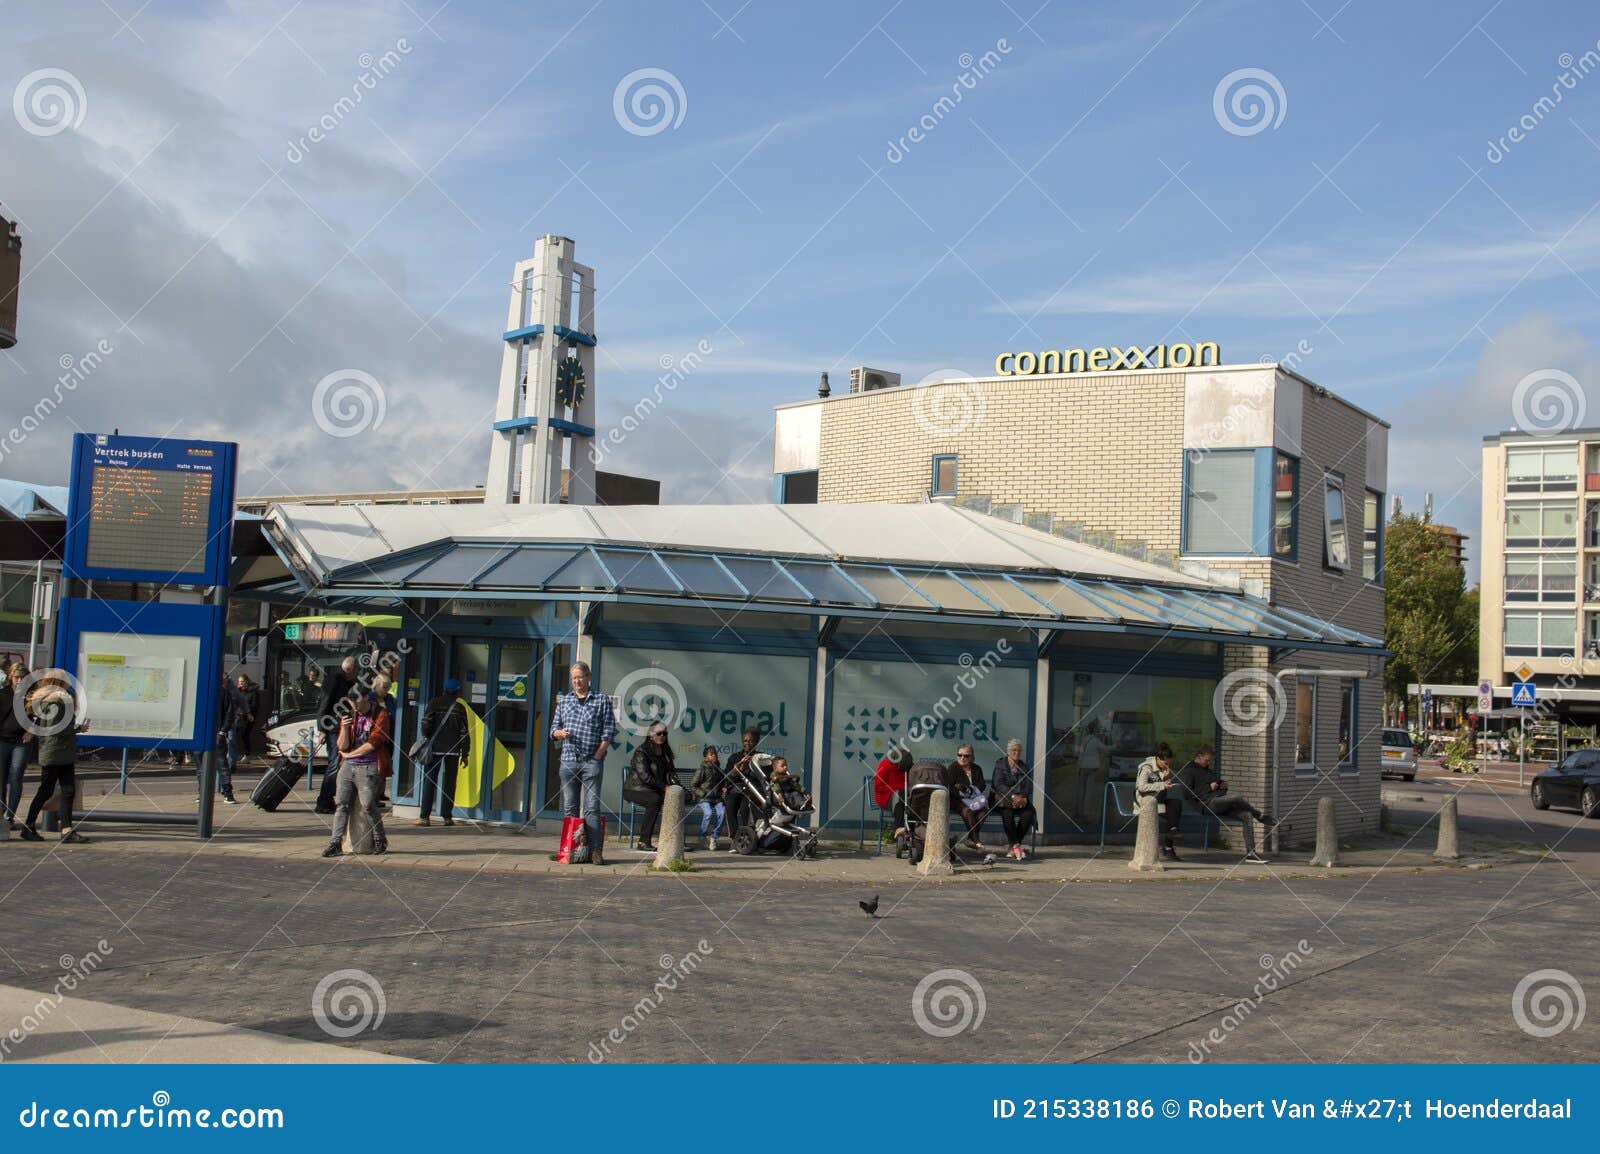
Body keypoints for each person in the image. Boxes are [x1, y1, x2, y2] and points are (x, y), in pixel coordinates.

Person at [549, 660, 616, 865]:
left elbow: (610, 730)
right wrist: (559, 733)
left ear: (588, 678)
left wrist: (599, 754)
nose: (577, 681)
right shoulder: (564, 702)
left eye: (580, 677)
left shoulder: (601, 700)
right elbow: (552, 730)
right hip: (569, 761)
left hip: (591, 762)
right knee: (570, 807)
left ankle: (595, 852)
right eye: (574, 678)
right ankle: (568, 850)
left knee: (591, 808)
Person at [18, 670, 88, 844]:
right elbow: (56, 728)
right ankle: (33, 827)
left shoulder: (52, 699)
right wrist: (77, 729)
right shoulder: (57, 701)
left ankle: (63, 829)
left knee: (60, 790)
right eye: (65, 681)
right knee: (53, 790)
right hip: (57, 751)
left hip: (57, 751)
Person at [1178, 743, 1276, 864]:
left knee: (1246, 815)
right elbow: (1187, 792)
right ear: (1199, 756)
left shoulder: (1208, 771)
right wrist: (1209, 787)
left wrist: (1222, 786)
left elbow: (1218, 790)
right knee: (1236, 797)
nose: (1208, 763)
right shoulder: (1189, 770)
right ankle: (1260, 816)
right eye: (1206, 760)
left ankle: (1251, 853)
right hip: (1206, 804)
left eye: (1210, 761)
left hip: (1218, 801)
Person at [323, 687, 388, 857]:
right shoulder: (350, 714)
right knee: (341, 804)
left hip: (369, 765)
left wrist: (350, 754)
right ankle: (335, 842)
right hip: (348, 766)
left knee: (367, 804)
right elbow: (342, 746)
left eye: (357, 701)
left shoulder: (380, 714)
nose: (354, 705)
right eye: (351, 701)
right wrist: (344, 728)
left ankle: (380, 838)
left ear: (366, 697)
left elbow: (374, 742)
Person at [414, 678, 467, 827]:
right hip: (453, 750)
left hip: (435, 748)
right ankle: (447, 817)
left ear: (445, 690)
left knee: (430, 781)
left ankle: (424, 817)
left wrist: (427, 736)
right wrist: (465, 754)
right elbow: (464, 733)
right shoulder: (460, 708)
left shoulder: (434, 703)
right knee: (450, 783)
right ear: (457, 691)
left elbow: (425, 724)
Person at [315, 656, 360, 814]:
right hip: (333, 728)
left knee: (339, 764)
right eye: (357, 670)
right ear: (351, 669)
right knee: (334, 764)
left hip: (342, 726)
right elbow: (325, 703)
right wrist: (321, 728)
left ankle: (332, 798)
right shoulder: (334, 680)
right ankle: (324, 801)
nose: (357, 673)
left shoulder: (347, 682)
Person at [623, 721, 677, 853]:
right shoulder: (642, 751)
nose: (662, 736)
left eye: (665, 733)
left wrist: (677, 788)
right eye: (659, 733)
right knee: (655, 800)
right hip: (635, 789)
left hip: (655, 789)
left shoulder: (665, 753)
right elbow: (645, 776)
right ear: (651, 735)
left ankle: (676, 841)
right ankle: (643, 841)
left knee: (677, 798)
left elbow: (671, 774)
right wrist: (664, 787)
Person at [991, 738, 1036, 860]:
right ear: (1008, 751)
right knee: (1007, 814)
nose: (1016, 753)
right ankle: (1016, 845)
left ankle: (1013, 846)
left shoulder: (1024, 766)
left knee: (1028, 814)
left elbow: (1028, 786)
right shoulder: (1000, 765)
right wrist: (1013, 796)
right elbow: (998, 784)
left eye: (1019, 750)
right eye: (1013, 750)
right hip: (1003, 801)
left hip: (1020, 801)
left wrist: (1023, 797)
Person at [1134, 742, 1179, 860]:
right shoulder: (1146, 768)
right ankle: (1168, 846)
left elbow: (1162, 789)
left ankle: (1173, 830)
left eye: (1169, 763)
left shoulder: (1163, 770)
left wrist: (1166, 779)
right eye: (1165, 763)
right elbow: (1141, 787)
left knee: (1176, 803)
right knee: (1171, 814)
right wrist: (1162, 784)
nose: (1167, 766)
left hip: (1159, 801)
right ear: (1158, 759)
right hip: (1146, 802)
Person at [722, 726, 762, 852]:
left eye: (751, 741)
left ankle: (747, 838)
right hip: (735, 790)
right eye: (745, 741)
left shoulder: (760, 758)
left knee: (746, 808)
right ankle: (735, 839)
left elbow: (761, 778)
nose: (747, 743)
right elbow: (727, 777)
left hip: (751, 791)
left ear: (756, 742)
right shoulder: (735, 757)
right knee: (730, 806)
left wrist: (751, 767)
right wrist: (739, 767)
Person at [0, 662, 30, 830]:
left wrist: (31, 731)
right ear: (10, 677)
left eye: (23, 678)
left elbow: (39, 716)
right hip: (2, 740)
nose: (19, 681)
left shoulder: (30, 695)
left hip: (20, 742)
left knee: (16, 775)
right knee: (1, 778)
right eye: (17, 677)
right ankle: (1, 811)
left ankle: (10, 815)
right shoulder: (3, 694)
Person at [945, 743, 989, 850]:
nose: (962, 758)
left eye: (966, 756)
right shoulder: (953, 768)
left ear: (972, 757)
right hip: (957, 800)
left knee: (983, 812)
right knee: (968, 811)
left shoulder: (977, 768)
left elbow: (982, 784)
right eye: (960, 755)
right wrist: (961, 793)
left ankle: (970, 838)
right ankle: (976, 840)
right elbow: (948, 786)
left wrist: (972, 789)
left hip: (973, 799)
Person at [689, 744, 726, 851]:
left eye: (715, 754)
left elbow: (723, 782)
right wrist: (703, 794)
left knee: (722, 813)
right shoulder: (702, 770)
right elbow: (693, 785)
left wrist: (724, 787)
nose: (714, 756)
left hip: (717, 798)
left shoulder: (719, 769)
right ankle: (702, 836)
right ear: (706, 757)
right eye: (711, 754)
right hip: (704, 798)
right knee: (708, 813)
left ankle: (714, 837)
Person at [370, 672, 397, 804]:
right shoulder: (371, 698)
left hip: (388, 734)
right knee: (377, 766)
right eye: (385, 687)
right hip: (375, 735)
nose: (387, 690)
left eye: (388, 687)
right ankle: (374, 795)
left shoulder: (389, 698)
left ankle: (380, 793)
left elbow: (395, 713)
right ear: (377, 686)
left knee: (385, 764)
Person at [872, 745, 910, 839]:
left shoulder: (907, 766)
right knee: (899, 795)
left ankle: (910, 830)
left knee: (910, 799)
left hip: (903, 796)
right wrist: (895, 789)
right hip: (886, 797)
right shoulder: (885, 765)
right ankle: (898, 829)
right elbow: (878, 787)